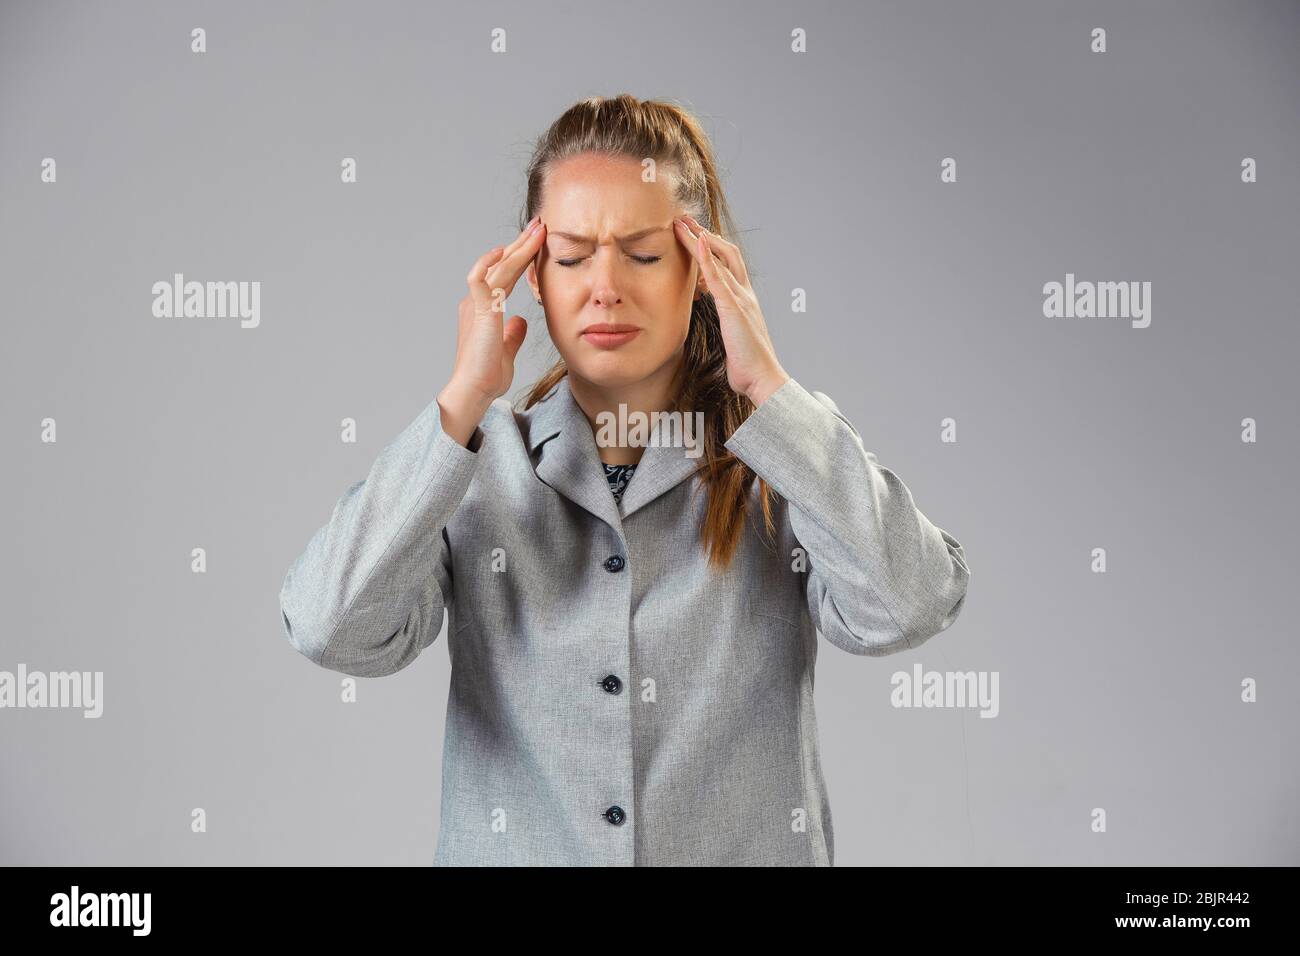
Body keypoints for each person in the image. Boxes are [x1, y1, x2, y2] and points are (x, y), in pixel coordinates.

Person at [279, 94, 971, 866]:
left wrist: (769, 390)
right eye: (572, 256)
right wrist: (461, 401)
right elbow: (330, 627)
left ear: (701, 270)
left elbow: (910, 606)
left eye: (642, 255)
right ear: (533, 277)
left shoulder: (784, 458)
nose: (605, 286)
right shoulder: (471, 463)